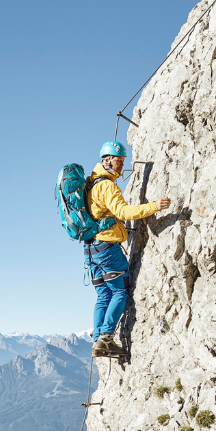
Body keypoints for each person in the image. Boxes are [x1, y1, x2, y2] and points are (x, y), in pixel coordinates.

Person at [85, 141, 172, 357]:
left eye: (123, 161)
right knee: (119, 291)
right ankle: (106, 338)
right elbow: (123, 212)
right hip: (107, 248)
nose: (121, 165)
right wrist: (154, 206)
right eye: (118, 161)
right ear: (107, 160)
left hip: (91, 250)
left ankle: (97, 339)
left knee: (103, 295)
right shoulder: (106, 186)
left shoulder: (90, 186)